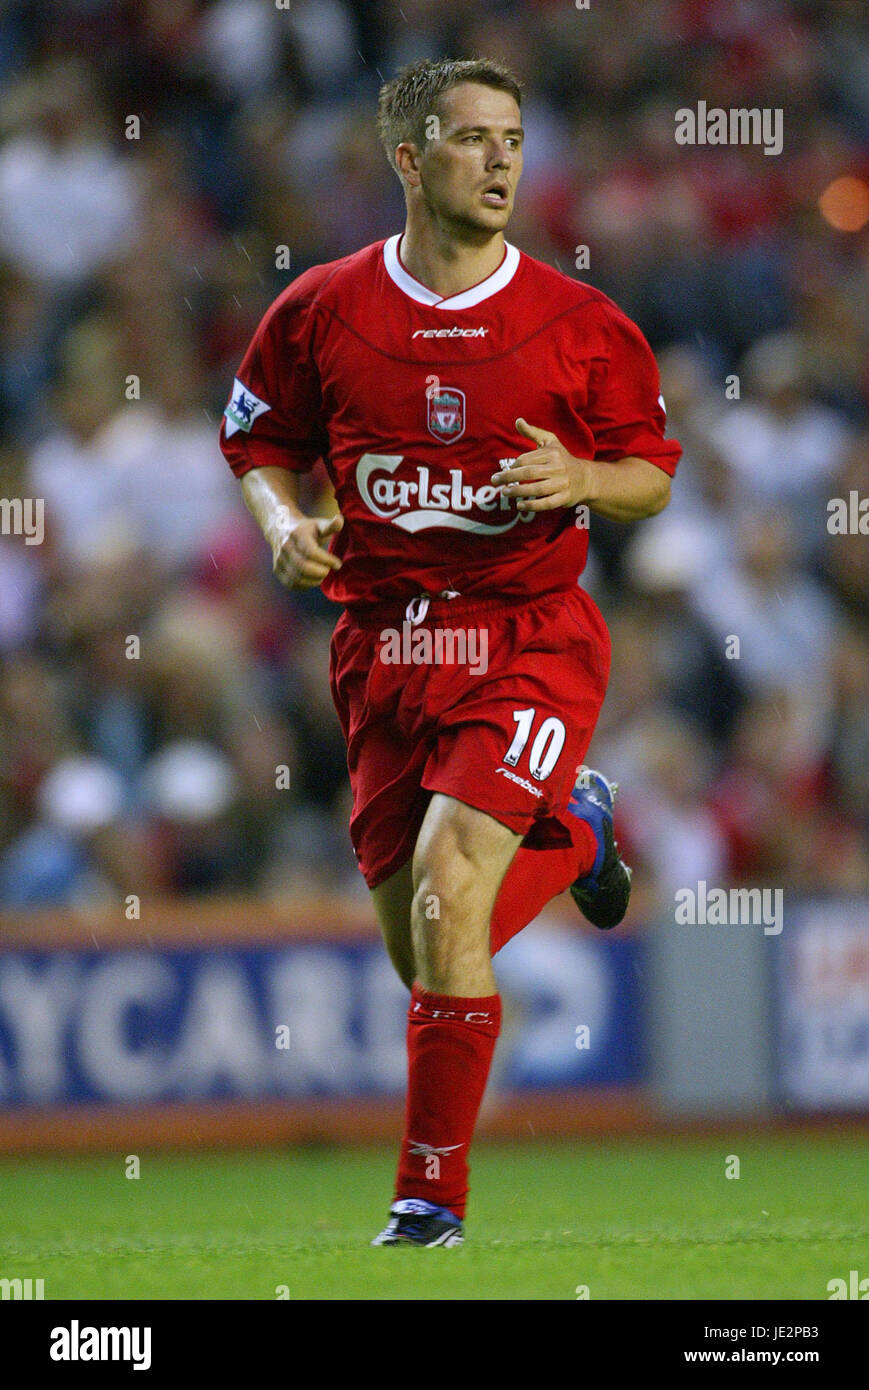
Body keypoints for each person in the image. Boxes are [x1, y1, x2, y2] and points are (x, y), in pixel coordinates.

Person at [220, 57, 681, 1248]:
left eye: (514, 140)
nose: (500, 161)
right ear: (408, 158)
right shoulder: (320, 307)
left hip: (525, 638)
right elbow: (256, 438)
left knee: (450, 889)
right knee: (418, 939)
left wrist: (582, 478)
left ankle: (428, 1202)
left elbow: (650, 475)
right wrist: (283, 528)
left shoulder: (579, 324)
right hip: (382, 650)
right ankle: (574, 826)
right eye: (472, 139)